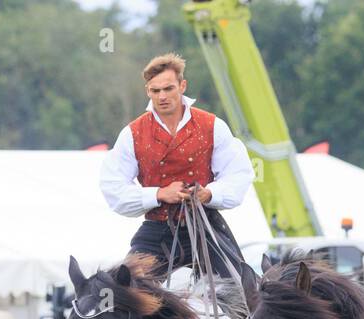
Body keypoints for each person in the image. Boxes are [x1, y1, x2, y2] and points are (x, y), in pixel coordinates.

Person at [99, 52, 253, 277]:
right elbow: (113, 187)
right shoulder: (132, 133)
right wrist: (159, 194)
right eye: (155, 90)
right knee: (126, 292)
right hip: (157, 231)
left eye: (168, 88)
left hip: (205, 228)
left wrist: (209, 194)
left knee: (242, 292)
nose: (162, 96)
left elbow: (238, 175)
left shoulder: (212, 125)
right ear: (148, 91)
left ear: (182, 86)